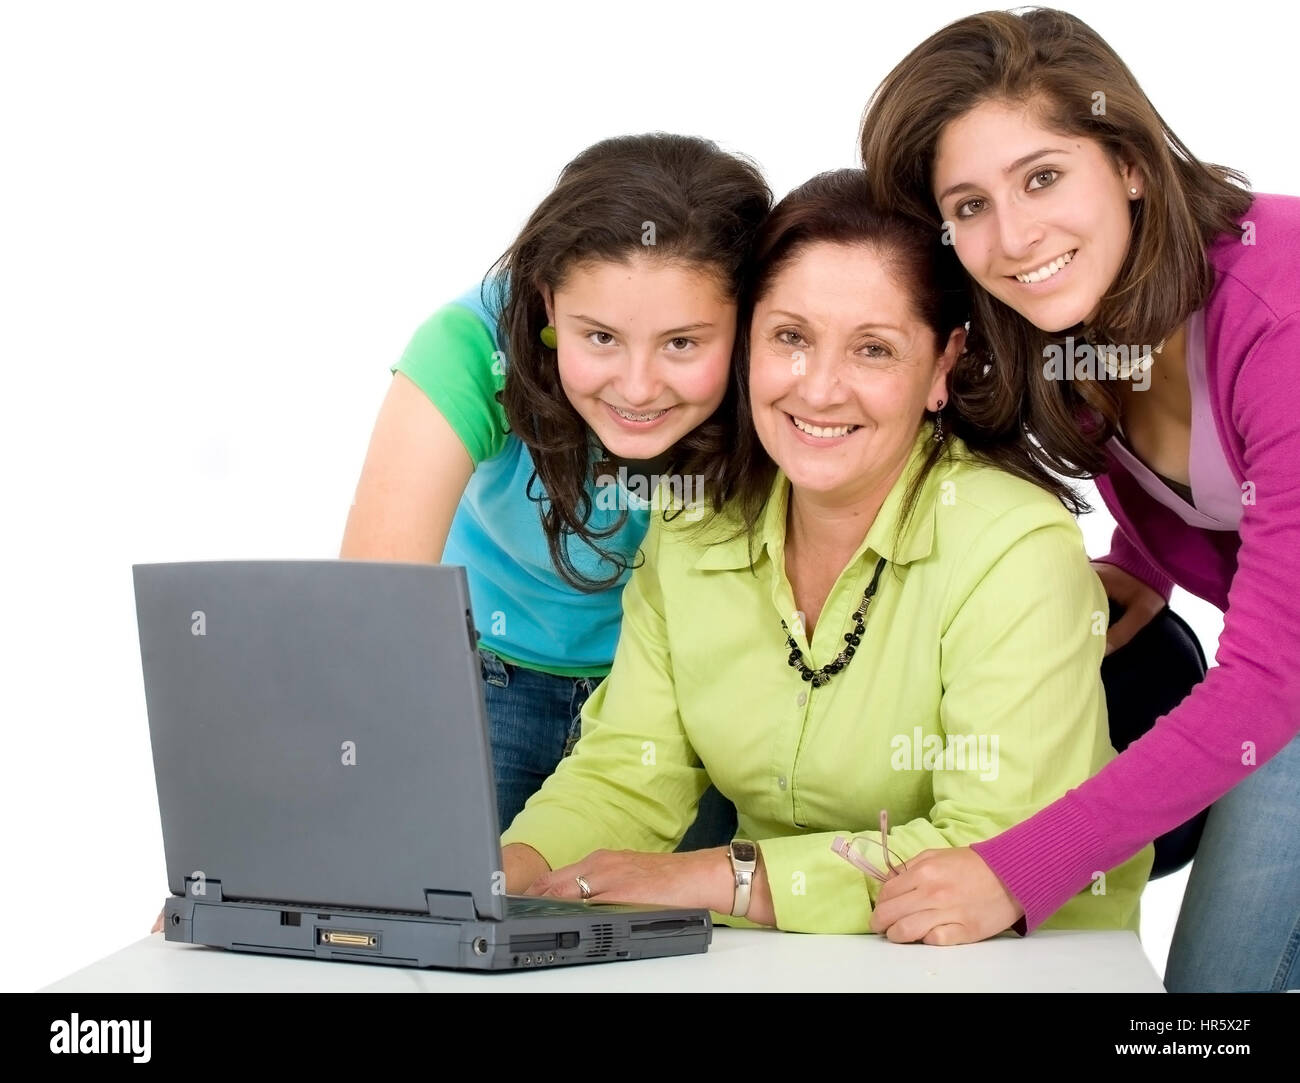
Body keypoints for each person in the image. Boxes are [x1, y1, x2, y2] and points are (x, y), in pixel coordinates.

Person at [500, 169, 1152, 934]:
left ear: (943, 364)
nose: (818, 389)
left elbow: (989, 846)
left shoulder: (1014, 548)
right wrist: (504, 872)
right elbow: (625, 773)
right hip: (799, 961)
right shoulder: (693, 528)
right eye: (791, 337)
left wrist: (722, 876)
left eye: (873, 350)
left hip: (1008, 964)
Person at [858, 7, 1300, 990]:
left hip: (1288, 685)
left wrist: (1016, 872)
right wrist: (1143, 564)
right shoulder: (1066, 327)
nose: (1012, 237)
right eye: (967, 205)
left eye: (1043, 176)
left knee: (1207, 1005)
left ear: (1130, 163)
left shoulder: (1282, 306)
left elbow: (1273, 678)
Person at [341, 133, 770, 845]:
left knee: (684, 942)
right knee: (439, 897)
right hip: (489, 677)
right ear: (545, 302)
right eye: (599, 337)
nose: (637, 387)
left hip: (672, 697)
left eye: (683, 343)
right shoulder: (470, 346)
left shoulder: (780, 369)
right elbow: (369, 615)